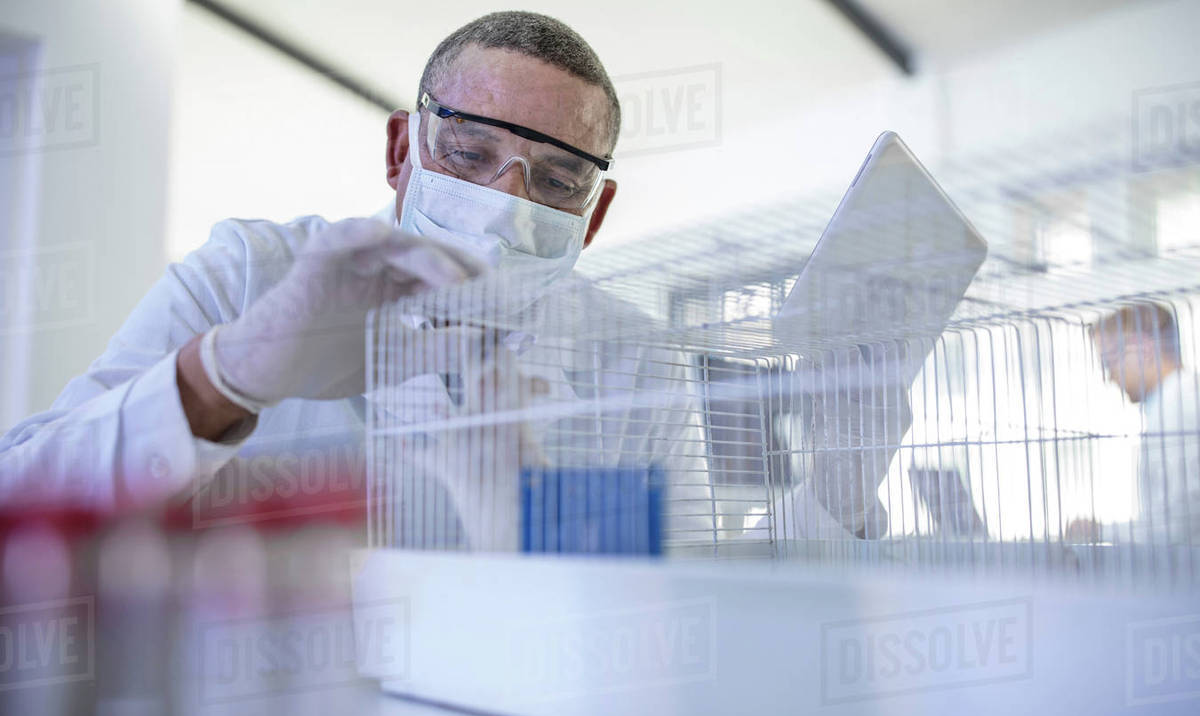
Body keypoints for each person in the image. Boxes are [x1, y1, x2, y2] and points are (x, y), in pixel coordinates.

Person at [0, 12, 724, 547]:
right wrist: (224, 376)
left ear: (593, 218)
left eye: (561, 179)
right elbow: (21, 505)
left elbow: (686, 608)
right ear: (402, 149)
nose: (508, 208)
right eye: (469, 152)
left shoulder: (637, 363)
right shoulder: (245, 274)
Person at [1066, 302, 1200, 545]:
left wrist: (1098, 533)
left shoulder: (1176, 412)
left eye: (1109, 362)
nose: (1109, 378)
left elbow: (1177, 530)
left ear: (1143, 348)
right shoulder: (1176, 401)